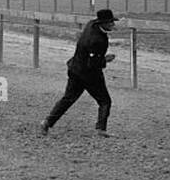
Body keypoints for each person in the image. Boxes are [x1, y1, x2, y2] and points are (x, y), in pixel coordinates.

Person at [39, 8, 118, 137]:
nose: (112, 25)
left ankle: (47, 122)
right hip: (89, 74)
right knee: (105, 101)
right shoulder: (97, 40)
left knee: (68, 99)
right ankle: (101, 129)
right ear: (102, 23)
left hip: (75, 69)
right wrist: (105, 59)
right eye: (110, 22)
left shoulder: (91, 25)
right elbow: (92, 64)